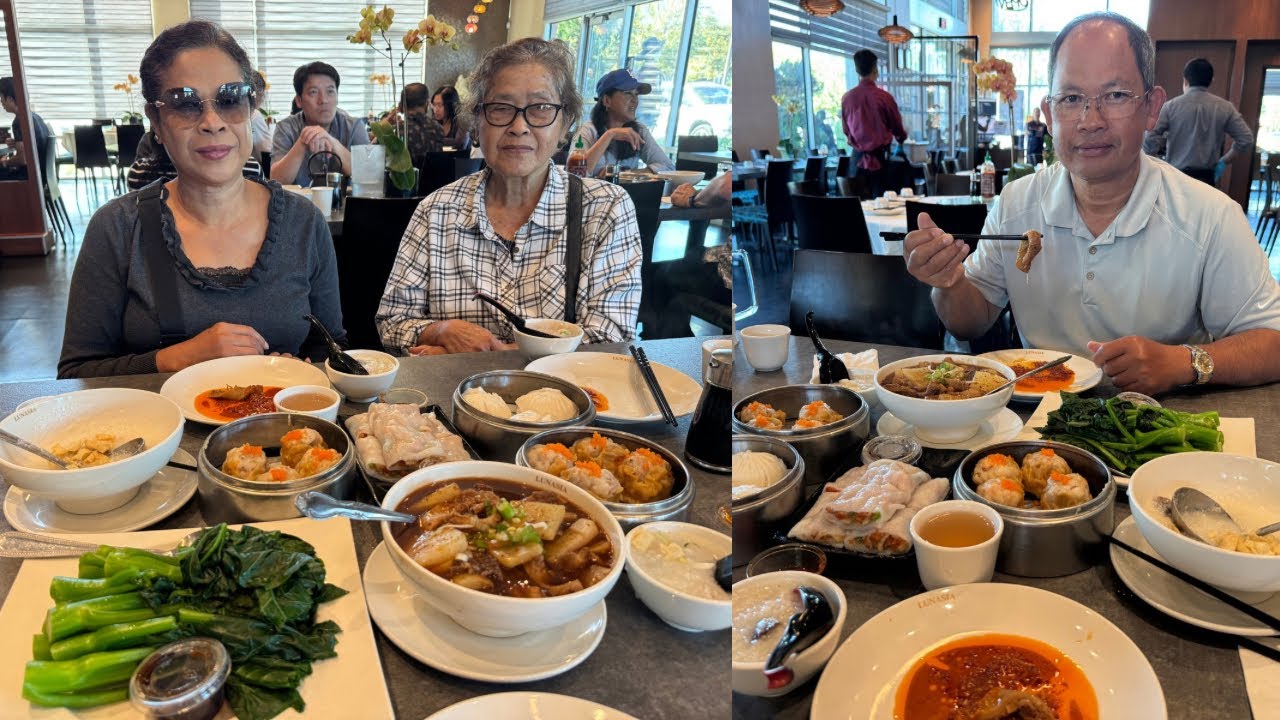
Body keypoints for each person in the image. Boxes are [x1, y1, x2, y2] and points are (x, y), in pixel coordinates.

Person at [902, 12, 1280, 396]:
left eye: (1115, 96)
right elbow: (969, 322)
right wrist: (948, 283)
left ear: (1152, 107)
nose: (1090, 120)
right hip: (1033, 422)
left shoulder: (1210, 215)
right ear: (1049, 115)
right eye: (1071, 98)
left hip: (1160, 425)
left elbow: (1272, 342)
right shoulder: (1017, 202)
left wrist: (1182, 362)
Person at [58, 19, 346, 379]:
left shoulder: (304, 221)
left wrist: (295, 373)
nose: (213, 122)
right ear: (157, 123)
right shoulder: (117, 227)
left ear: (250, 108)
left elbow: (330, 350)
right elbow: (77, 373)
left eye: (230, 100)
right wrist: (179, 357)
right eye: (185, 104)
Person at [377, 37, 642, 355]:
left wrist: (475, 358)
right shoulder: (436, 210)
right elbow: (392, 323)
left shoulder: (606, 209)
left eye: (541, 109)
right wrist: (441, 331)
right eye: (501, 109)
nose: (519, 126)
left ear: (565, 123)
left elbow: (610, 341)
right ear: (477, 122)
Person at [1143, 57, 1253, 185]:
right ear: (1211, 80)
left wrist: (1156, 162)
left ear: (1185, 80)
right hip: (1206, 178)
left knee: (1174, 205)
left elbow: (1150, 135)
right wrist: (1223, 161)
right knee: (1205, 205)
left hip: (1176, 177)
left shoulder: (1171, 106)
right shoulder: (1225, 107)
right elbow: (1246, 139)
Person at [270, 61, 370, 187]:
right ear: (299, 101)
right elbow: (276, 181)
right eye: (313, 92)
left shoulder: (354, 127)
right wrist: (302, 142)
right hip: (298, 205)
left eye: (330, 91)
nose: (323, 100)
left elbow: (367, 175)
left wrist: (332, 142)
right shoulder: (286, 128)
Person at [572, 68, 675, 178]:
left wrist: (626, 175)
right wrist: (609, 135)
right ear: (607, 101)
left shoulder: (639, 131)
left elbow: (668, 167)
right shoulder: (588, 131)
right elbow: (574, 174)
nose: (635, 100)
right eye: (628, 93)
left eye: (636, 94)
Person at [840, 49, 907, 197]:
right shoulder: (884, 97)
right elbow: (898, 130)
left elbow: (846, 131)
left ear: (857, 70)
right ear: (875, 69)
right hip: (881, 161)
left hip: (857, 161)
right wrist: (901, 139)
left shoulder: (847, 98)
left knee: (858, 209)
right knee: (885, 206)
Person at [0, 76, 52, 181]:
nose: (1, 102)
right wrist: (16, 144)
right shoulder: (34, 117)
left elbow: (23, 159)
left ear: (10, 99)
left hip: (29, 178)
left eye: (1, 98)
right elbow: (32, 147)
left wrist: (5, 162)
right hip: (41, 176)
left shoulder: (20, 121)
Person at [397, 82, 443, 166]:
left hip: (407, 178)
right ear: (426, 104)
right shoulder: (438, 128)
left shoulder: (399, 130)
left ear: (402, 105)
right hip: (434, 178)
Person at [431, 85, 470, 150]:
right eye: (434, 105)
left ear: (450, 105)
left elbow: (459, 144)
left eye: (439, 105)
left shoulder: (461, 121)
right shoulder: (434, 122)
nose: (435, 109)